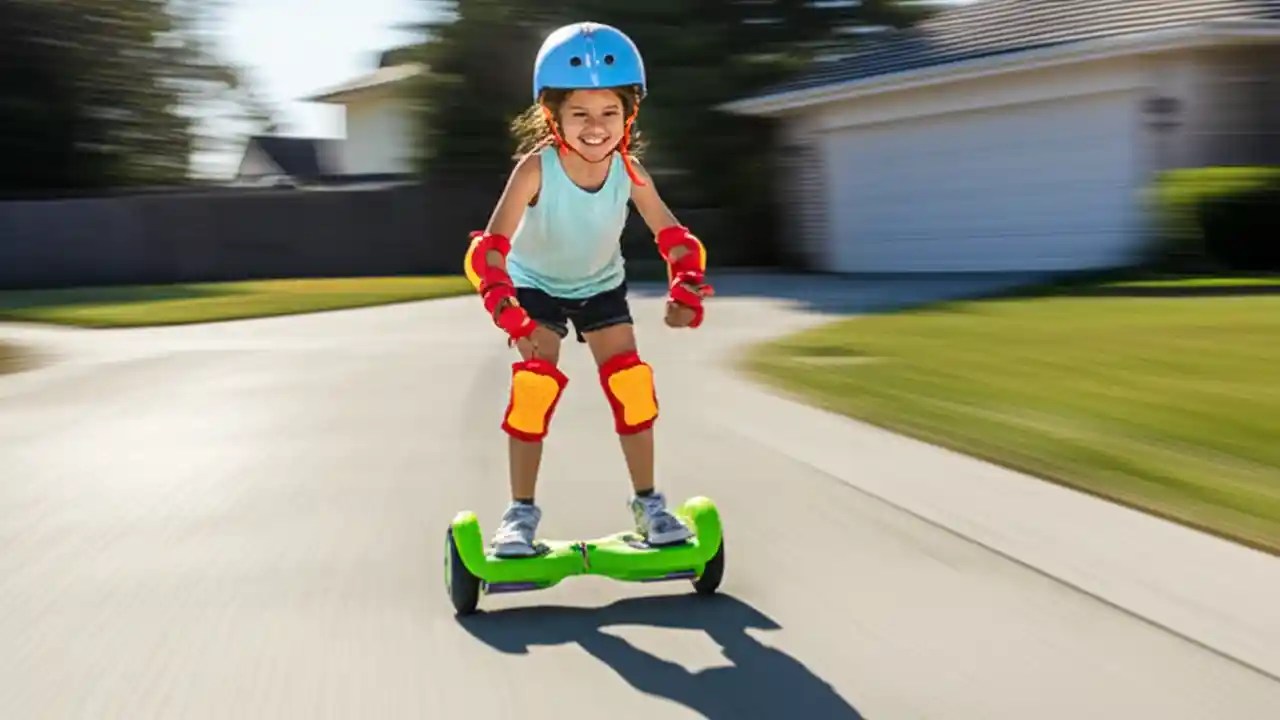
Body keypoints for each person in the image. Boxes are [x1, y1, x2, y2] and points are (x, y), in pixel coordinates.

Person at [463, 21, 714, 558]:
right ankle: (519, 515)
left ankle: (649, 504)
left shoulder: (629, 170)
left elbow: (675, 238)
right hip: (535, 286)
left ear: (630, 116)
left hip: (600, 286)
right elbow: (489, 250)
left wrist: (686, 287)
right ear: (552, 115)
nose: (596, 127)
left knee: (632, 388)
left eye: (610, 113)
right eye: (580, 114)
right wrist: (508, 309)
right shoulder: (536, 169)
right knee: (534, 391)